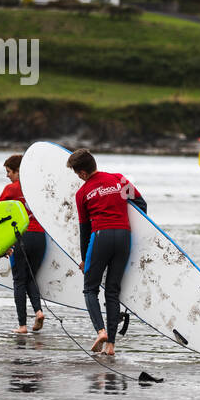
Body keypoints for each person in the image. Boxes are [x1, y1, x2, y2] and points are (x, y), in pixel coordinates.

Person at [68, 148, 146, 357]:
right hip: (123, 236)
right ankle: (110, 345)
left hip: (100, 236)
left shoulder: (82, 193)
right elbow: (141, 205)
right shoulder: (118, 179)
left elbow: (85, 230)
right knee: (113, 291)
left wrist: (85, 259)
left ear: (82, 173)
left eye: (77, 174)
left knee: (90, 289)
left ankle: (100, 331)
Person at [0, 154, 45, 333]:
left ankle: (22, 325)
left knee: (19, 280)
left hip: (21, 237)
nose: (7, 176)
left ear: (19, 171)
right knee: (31, 277)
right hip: (40, 237)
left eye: (9, 171)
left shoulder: (11, 189)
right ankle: (38, 311)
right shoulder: (37, 188)